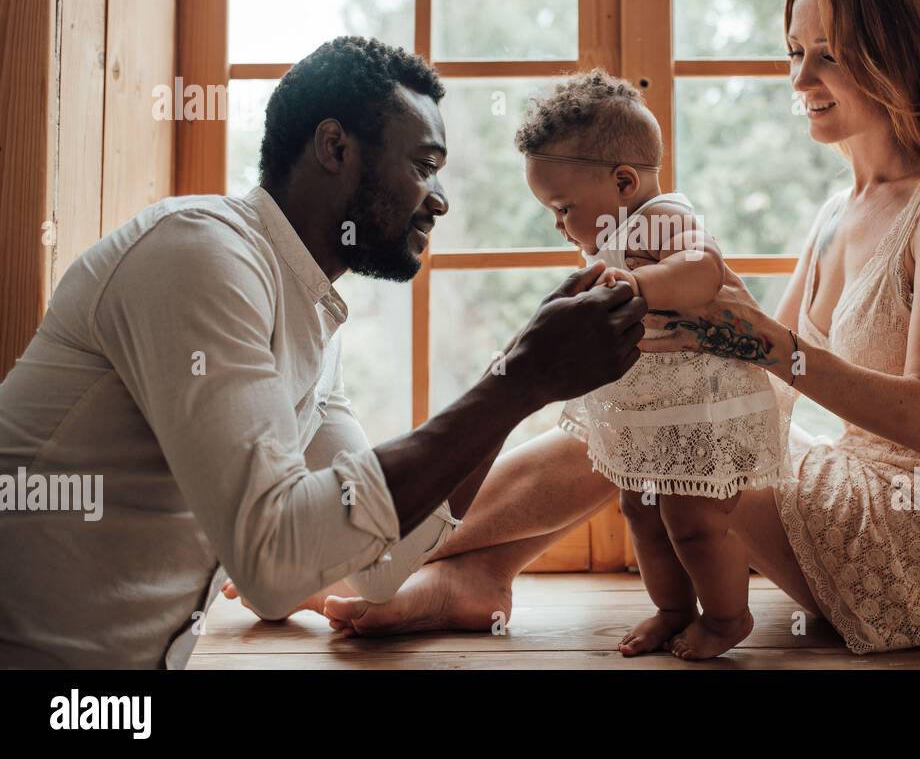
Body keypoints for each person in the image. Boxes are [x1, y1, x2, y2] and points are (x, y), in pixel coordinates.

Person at [319, 0, 920, 657]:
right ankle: (469, 573)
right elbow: (773, 390)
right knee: (655, 407)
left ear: (902, 55)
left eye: (828, 53)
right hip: (852, 487)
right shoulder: (839, 210)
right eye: (793, 52)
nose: (800, 78)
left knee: (660, 423)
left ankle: (349, 550)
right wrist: (688, 360)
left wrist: (750, 340)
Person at [0, 36, 646, 668]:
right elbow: (275, 563)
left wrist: (515, 373)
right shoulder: (197, 255)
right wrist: (519, 383)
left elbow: (381, 567)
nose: (440, 201)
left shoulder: (309, 321)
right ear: (335, 147)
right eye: (424, 166)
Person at [516, 70, 789, 659]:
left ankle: (726, 617)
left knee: (693, 521)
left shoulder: (662, 217)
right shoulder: (612, 237)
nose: (558, 224)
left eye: (563, 207)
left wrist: (634, 281)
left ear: (623, 182)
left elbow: (705, 269)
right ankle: (671, 608)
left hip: (705, 411)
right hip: (652, 413)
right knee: (638, 508)